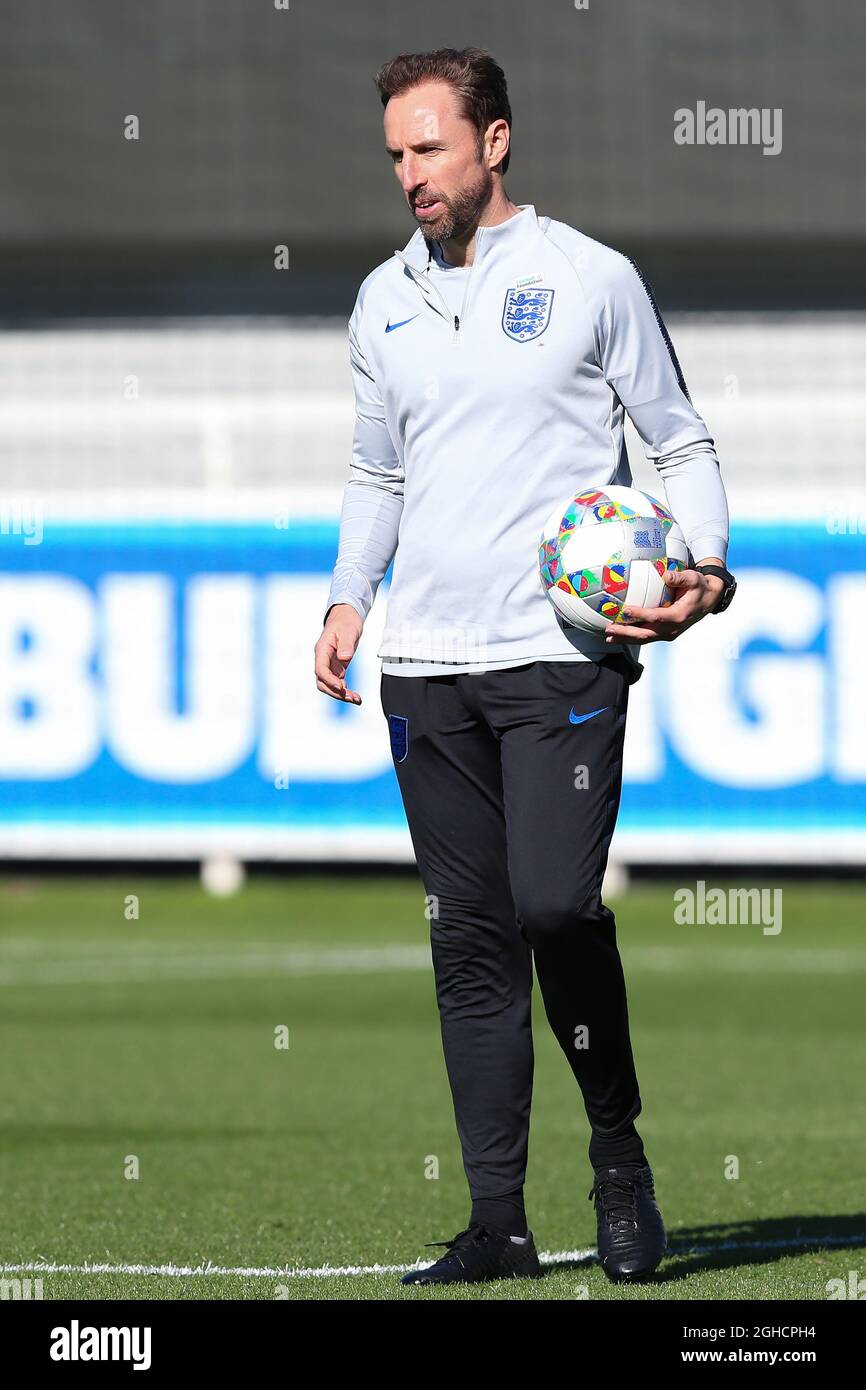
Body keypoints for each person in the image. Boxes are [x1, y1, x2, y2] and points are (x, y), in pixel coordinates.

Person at [314, 46, 735, 1286]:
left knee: (553, 908)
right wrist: (350, 596)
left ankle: (617, 1158)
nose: (409, 174)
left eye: (429, 146)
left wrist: (703, 567)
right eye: (394, 152)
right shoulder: (378, 299)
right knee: (469, 940)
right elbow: (377, 469)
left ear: (493, 143)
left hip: (560, 656)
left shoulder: (587, 276)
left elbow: (679, 437)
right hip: (425, 668)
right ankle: (496, 1220)